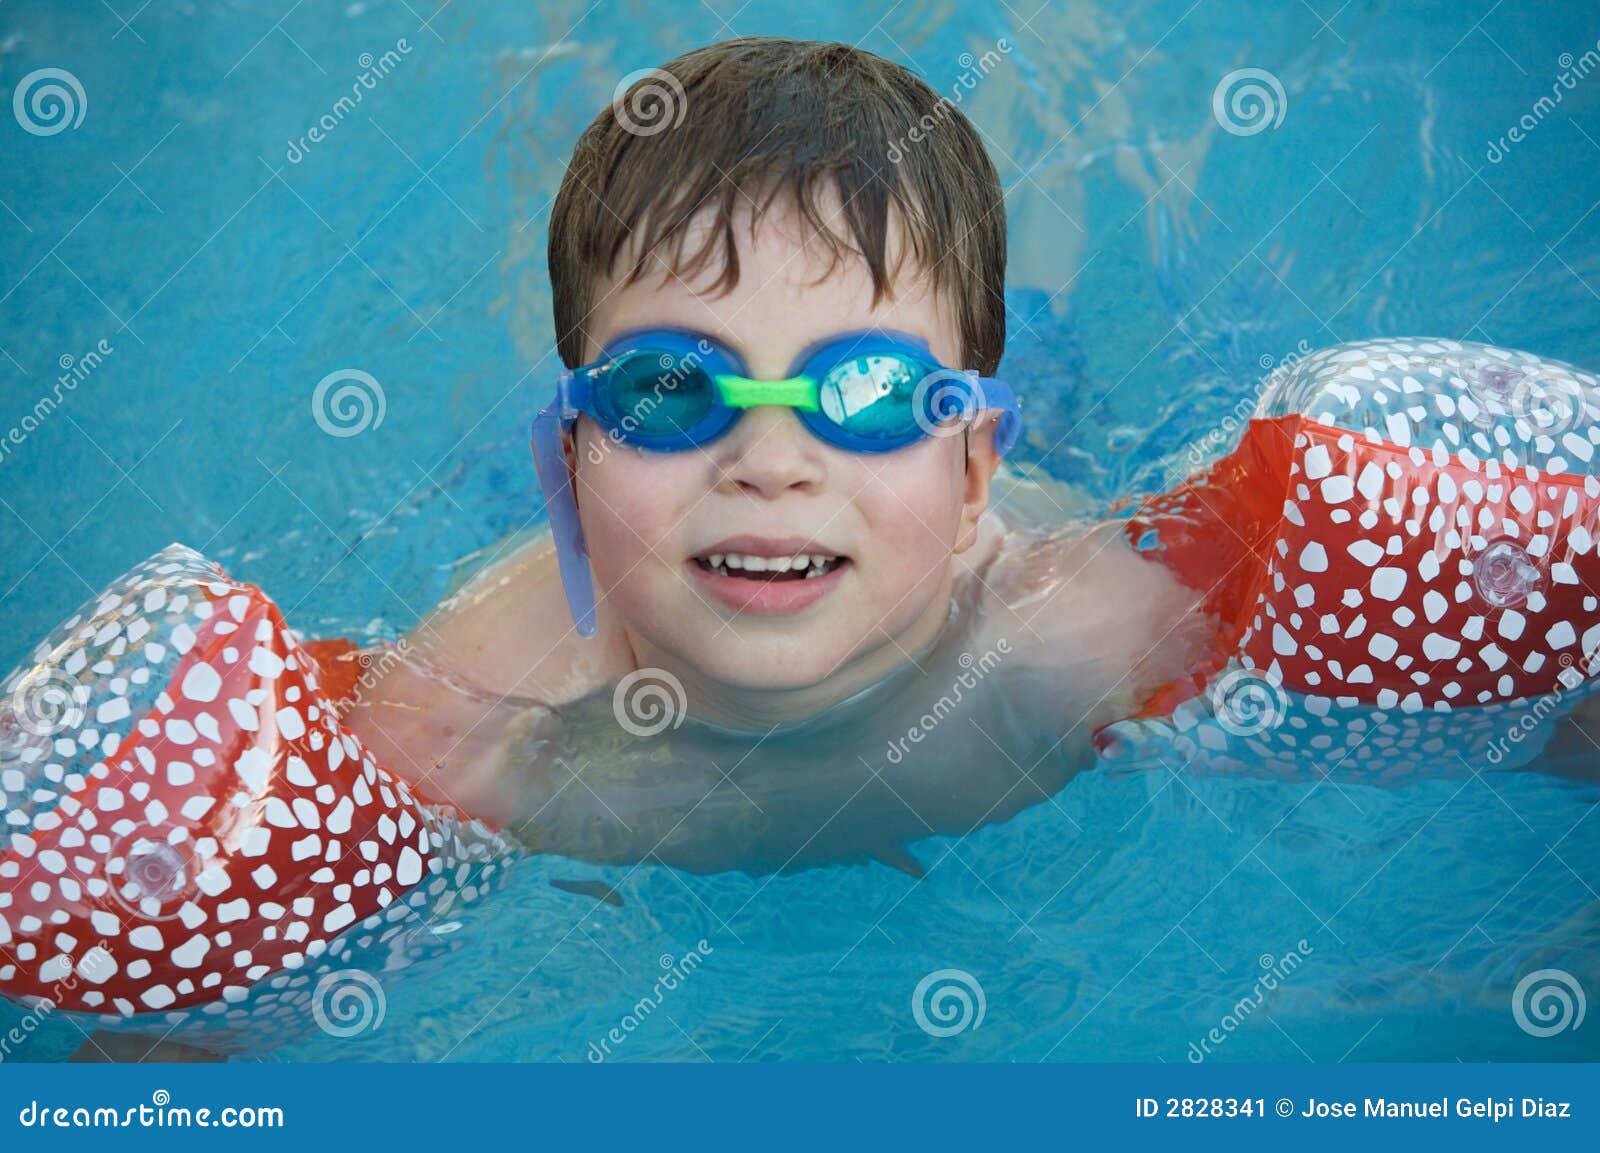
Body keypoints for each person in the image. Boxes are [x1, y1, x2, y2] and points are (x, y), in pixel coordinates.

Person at [339, 37, 1214, 876]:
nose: (768, 463)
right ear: (569, 467)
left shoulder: (1089, 638)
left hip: (1044, 437)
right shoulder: (469, 723)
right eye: (671, 388)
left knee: (1046, 363)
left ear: (976, 475)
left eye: (872, 389)